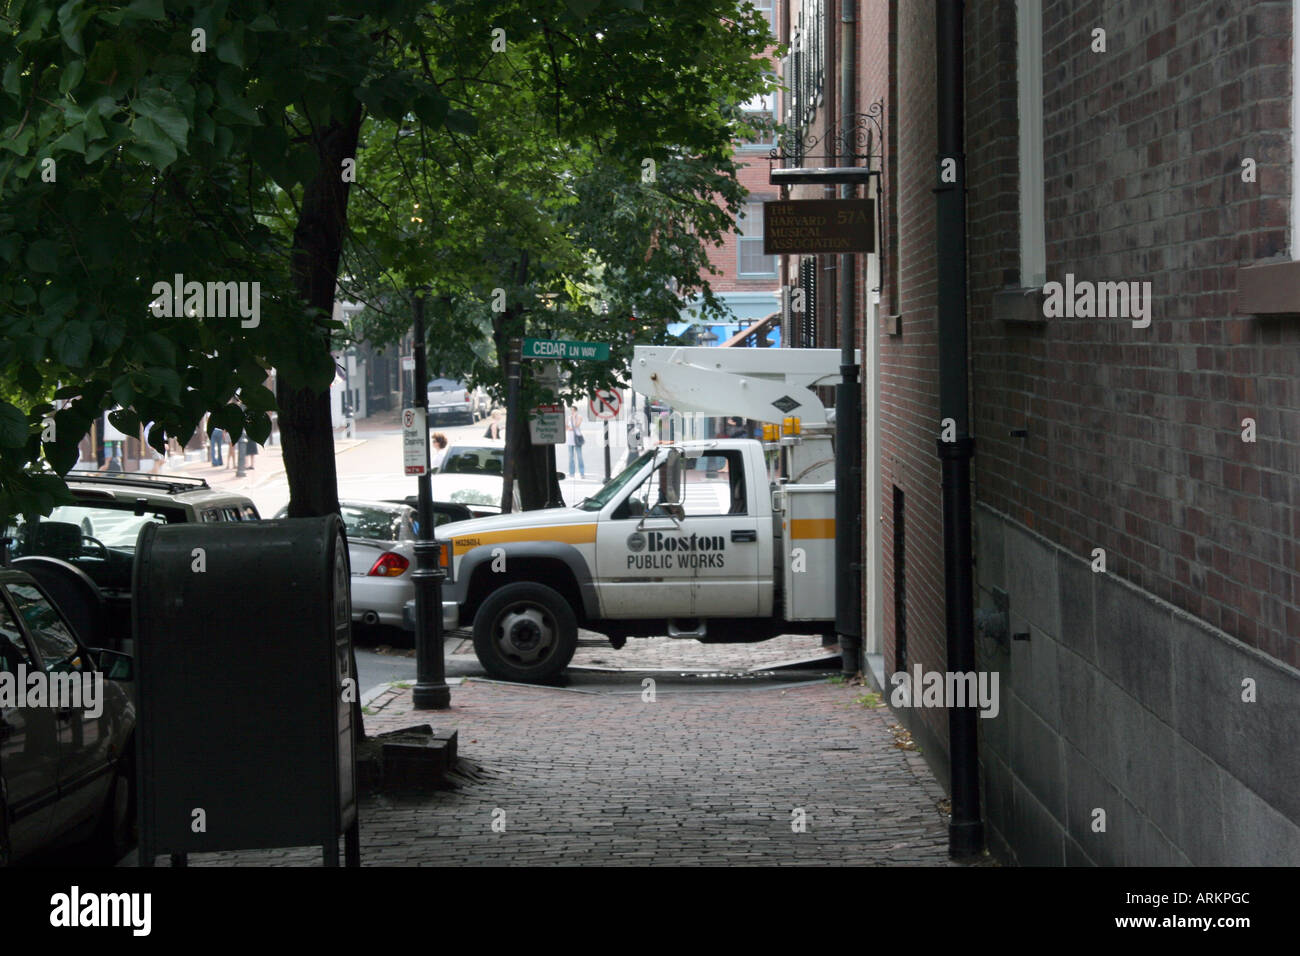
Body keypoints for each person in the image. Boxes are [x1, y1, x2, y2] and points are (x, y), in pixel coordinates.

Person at [565, 406, 585, 478]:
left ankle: (582, 473)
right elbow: (566, 427)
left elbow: (577, 425)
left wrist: (574, 418)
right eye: (571, 410)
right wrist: (569, 428)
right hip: (570, 439)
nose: (572, 412)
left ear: (576, 410)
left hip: (577, 439)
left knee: (579, 456)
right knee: (571, 457)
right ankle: (571, 473)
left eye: (573, 410)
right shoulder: (568, 417)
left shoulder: (579, 417)